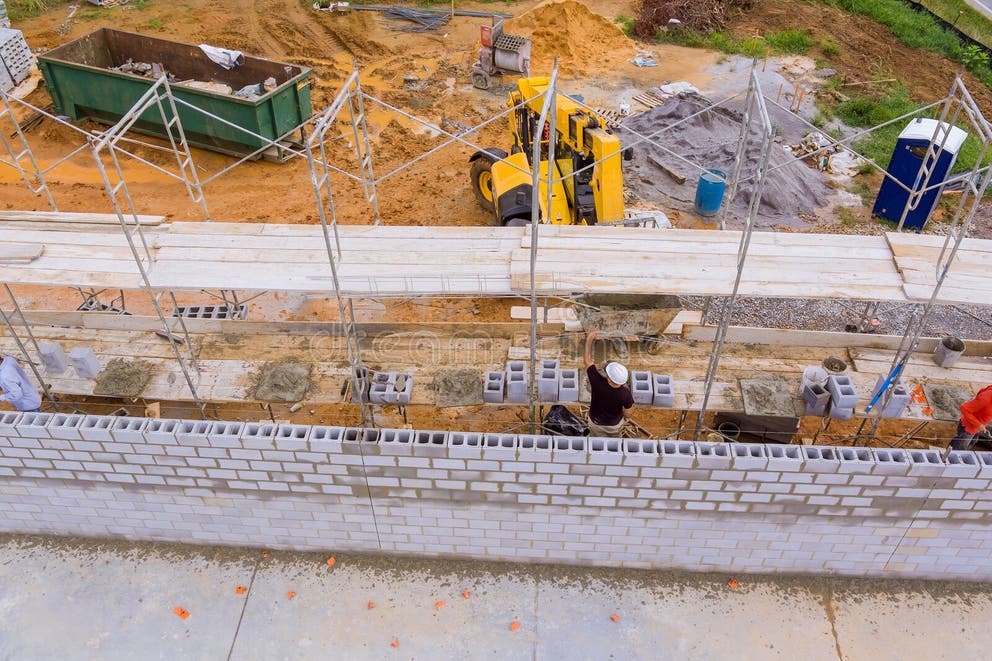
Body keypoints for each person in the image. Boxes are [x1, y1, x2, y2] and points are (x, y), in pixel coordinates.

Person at [583, 330, 633, 438]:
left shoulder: (597, 382)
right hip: (614, 426)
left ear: (609, 379)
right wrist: (625, 418)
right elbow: (628, 412)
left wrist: (589, 339)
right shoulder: (625, 393)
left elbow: (587, 361)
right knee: (613, 443)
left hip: (595, 423)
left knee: (595, 441)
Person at [949, 385, 992, 451]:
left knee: (973, 442)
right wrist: (978, 424)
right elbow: (964, 408)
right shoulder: (985, 399)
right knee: (960, 447)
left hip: (978, 427)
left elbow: (982, 390)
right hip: (969, 427)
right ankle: (947, 457)